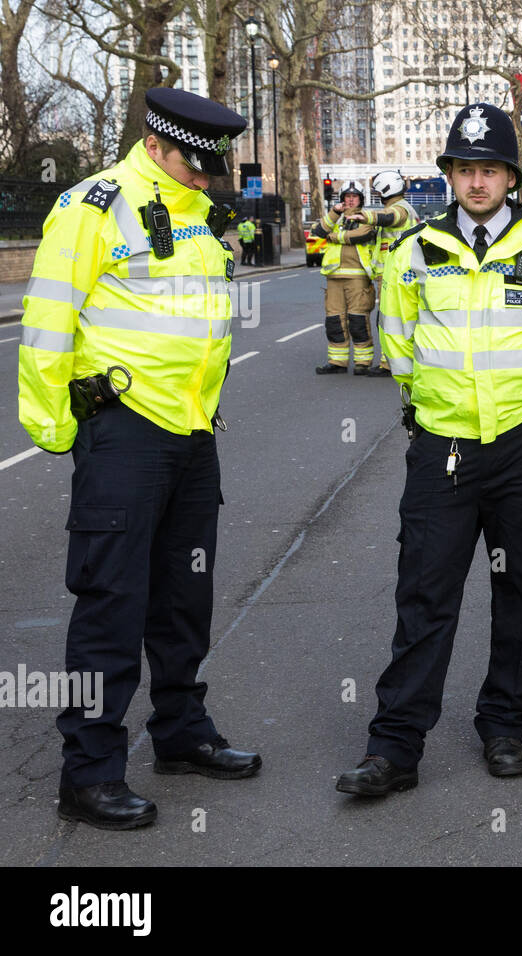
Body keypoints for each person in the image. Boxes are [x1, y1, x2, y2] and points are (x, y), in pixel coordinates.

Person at [17, 87, 262, 831]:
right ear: (158, 143)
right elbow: (48, 321)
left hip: (192, 435)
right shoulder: (92, 207)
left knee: (183, 601)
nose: (207, 177)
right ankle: (88, 773)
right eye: (198, 163)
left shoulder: (197, 219)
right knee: (112, 606)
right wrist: (58, 429)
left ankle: (181, 734)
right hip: (123, 431)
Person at [336, 102, 522, 796]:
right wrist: (425, 404)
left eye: (489, 169)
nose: (476, 182)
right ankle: (394, 747)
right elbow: (399, 336)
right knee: (424, 593)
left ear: (510, 177)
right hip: (443, 445)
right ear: (449, 175)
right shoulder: (418, 250)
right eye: (464, 169)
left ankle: (505, 726)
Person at [341, 169, 420, 378]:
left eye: (378, 192)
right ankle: (393, 361)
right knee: (396, 319)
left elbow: (390, 217)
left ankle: (390, 363)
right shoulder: (403, 207)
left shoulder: (400, 208)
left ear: (386, 189)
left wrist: (365, 216)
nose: (377, 196)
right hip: (396, 273)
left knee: (390, 320)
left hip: (395, 274)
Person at [311, 181, 378, 374]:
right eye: (346, 197)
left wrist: (335, 236)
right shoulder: (335, 218)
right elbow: (319, 230)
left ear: (360, 199)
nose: (350, 200)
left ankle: (362, 363)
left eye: (354, 196)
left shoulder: (366, 218)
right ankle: (337, 362)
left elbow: (361, 234)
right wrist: (334, 212)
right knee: (334, 321)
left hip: (358, 277)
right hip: (333, 276)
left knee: (357, 321)